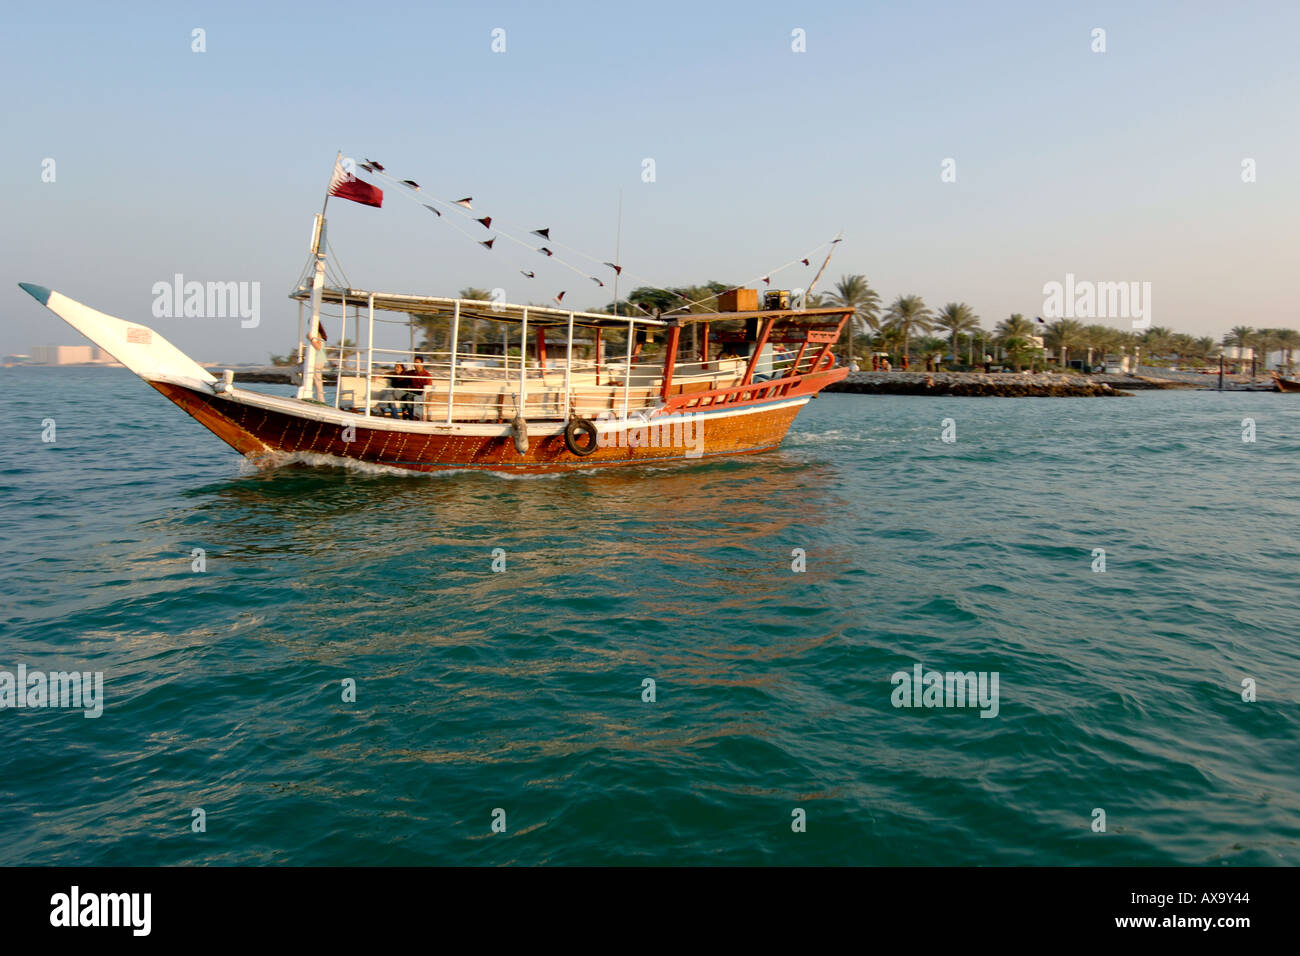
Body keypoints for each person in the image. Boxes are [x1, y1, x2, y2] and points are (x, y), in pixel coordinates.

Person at [406, 355, 434, 420]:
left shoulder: (427, 375)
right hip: (414, 393)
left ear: (422, 364)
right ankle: (412, 418)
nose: (416, 365)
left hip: (422, 393)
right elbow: (401, 373)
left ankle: (414, 418)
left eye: (418, 363)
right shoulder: (411, 373)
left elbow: (428, 388)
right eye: (415, 363)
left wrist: (422, 395)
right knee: (407, 397)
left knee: (410, 398)